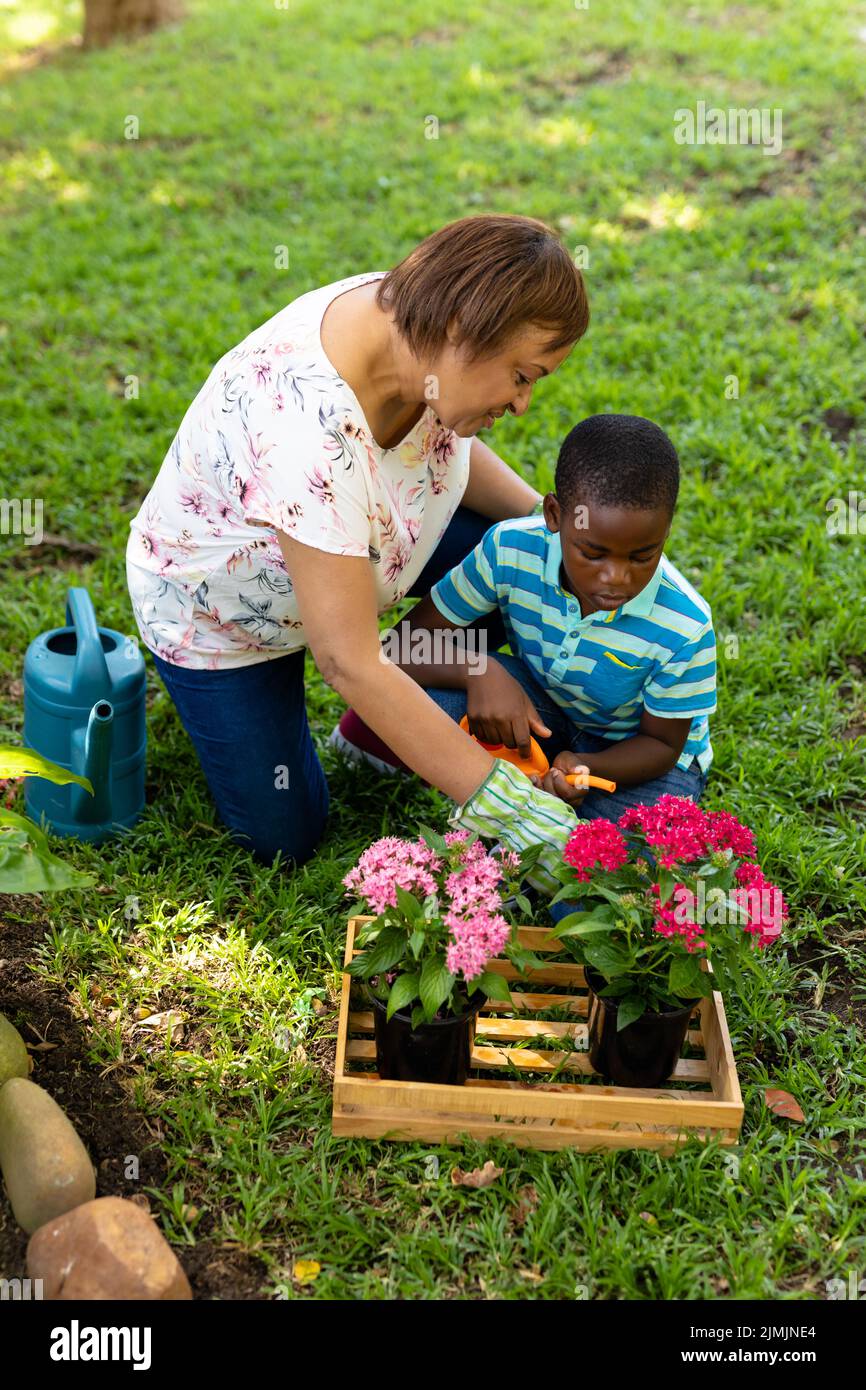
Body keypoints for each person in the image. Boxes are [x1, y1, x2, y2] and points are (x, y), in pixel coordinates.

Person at [124, 214, 590, 874]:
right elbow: (348, 660)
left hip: (370, 546)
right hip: (229, 624)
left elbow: (450, 455)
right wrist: (510, 809)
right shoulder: (303, 428)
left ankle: (373, 735)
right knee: (286, 838)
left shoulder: (418, 322)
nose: (523, 404)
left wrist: (560, 535)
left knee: (521, 556)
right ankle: (332, 711)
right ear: (463, 331)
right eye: (523, 376)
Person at [341, 415, 718, 905]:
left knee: (590, 892)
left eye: (642, 557)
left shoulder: (685, 624)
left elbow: (662, 745)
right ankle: (517, 798)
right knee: (427, 699)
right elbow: (403, 646)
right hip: (545, 708)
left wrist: (583, 766)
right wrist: (480, 669)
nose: (616, 578)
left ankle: (537, 813)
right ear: (556, 515)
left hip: (639, 759)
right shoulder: (510, 550)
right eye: (593, 552)